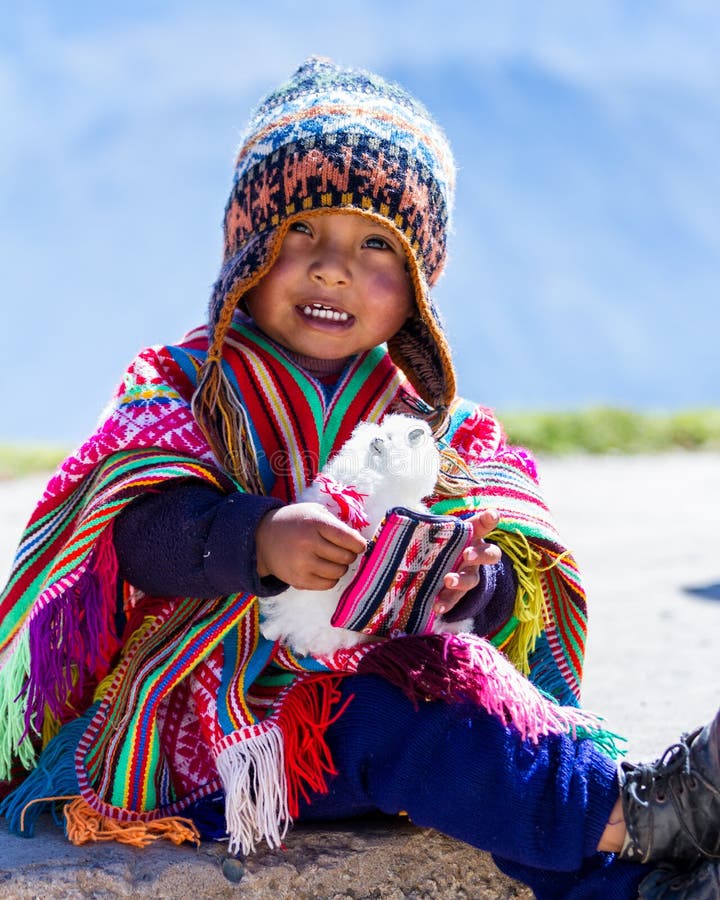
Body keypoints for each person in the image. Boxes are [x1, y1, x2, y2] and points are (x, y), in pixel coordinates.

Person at [0, 57, 718, 899]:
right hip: (217, 733)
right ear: (247, 250)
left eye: (376, 243)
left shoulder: (432, 420)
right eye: (300, 231)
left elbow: (508, 569)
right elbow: (125, 533)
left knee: (495, 722)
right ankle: (640, 815)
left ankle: (645, 890)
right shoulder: (186, 389)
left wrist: (465, 588)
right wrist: (257, 538)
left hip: (387, 695)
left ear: (418, 279)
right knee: (413, 727)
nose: (333, 267)